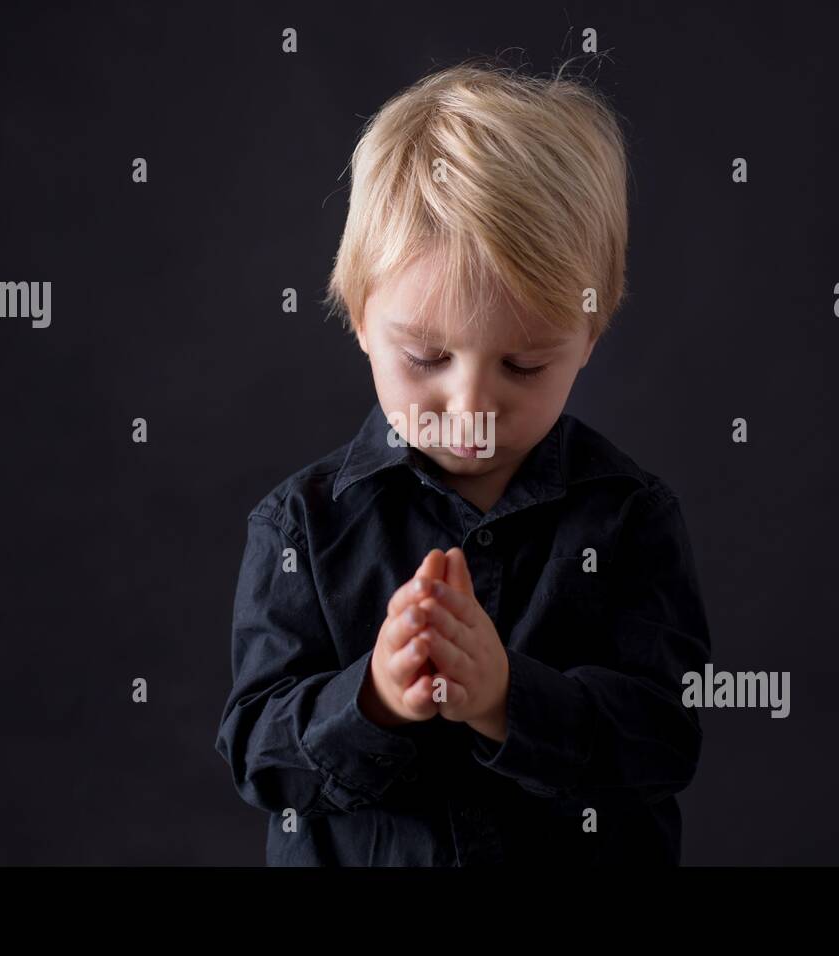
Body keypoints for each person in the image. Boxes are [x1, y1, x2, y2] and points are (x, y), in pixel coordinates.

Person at [215, 58, 712, 865]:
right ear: (361, 320)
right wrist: (371, 697)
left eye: (523, 366)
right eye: (425, 357)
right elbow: (256, 754)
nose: (473, 404)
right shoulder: (299, 525)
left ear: (591, 336)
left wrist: (507, 698)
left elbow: (663, 742)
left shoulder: (629, 517)